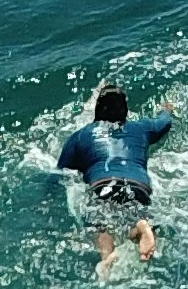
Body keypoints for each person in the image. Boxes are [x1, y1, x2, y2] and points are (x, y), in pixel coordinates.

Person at [56, 81, 173, 269]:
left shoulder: (81, 135)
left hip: (103, 184)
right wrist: (166, 109)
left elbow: (62, 170)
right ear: (125, 111)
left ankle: (107, 259)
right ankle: (141, 226)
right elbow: (165, 122)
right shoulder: (142, 127)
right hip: (138, 186)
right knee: (136, 212)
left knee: (102, 226)